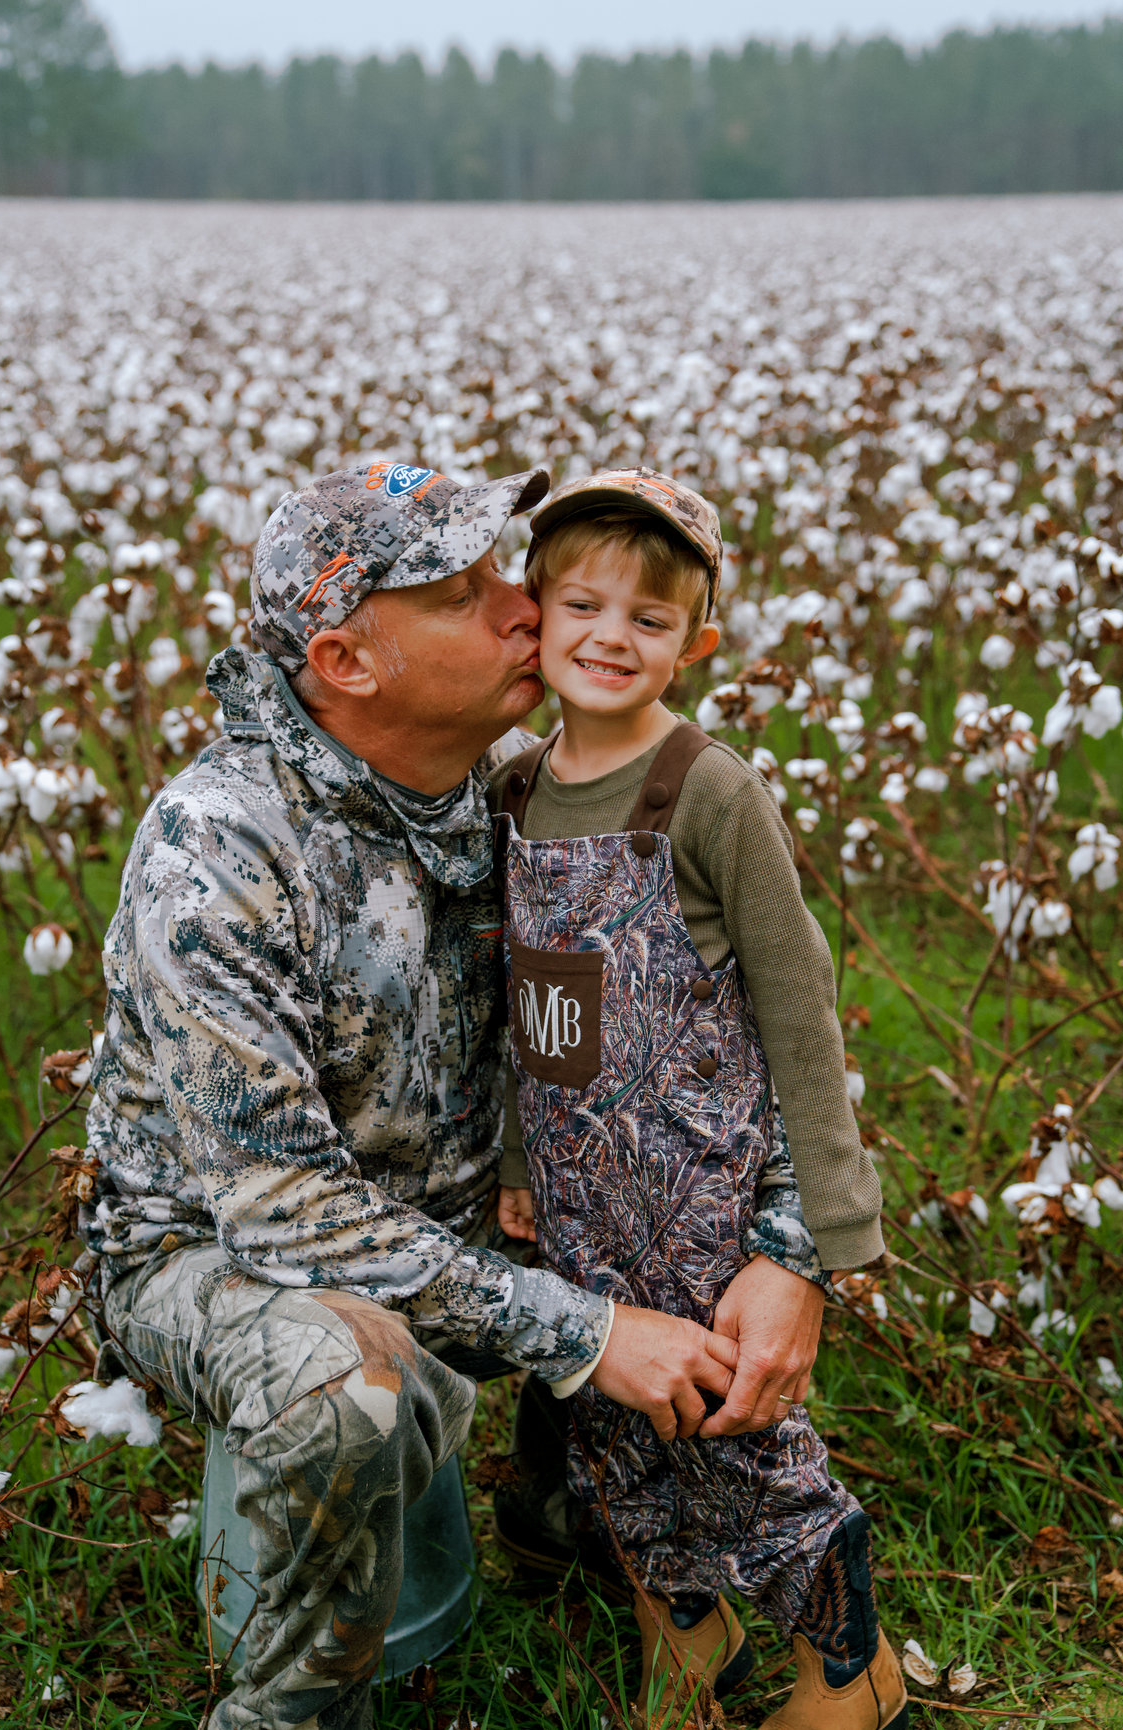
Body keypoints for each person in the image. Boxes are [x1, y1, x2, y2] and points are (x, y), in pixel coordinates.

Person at [81, 459, 820, 1730]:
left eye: (503, 571)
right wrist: (587, 1333)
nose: (527, 605)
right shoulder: (219, 851)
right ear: (347, 660)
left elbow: (737, 1025)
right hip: (215, 1252)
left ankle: (571, 1513)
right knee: (342, 1388)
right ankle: (292, 1707)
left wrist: (785, 1245)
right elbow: (282, 1209)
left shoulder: (523, 790)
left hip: (460, 1213)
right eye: (463, 593)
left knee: (664, 1197)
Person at [491, 468, 908, 1730]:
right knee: (613, 1434)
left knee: (743, 1440)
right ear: (533, 614)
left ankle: (852, 1668)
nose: (610, 636)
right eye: (582, 605)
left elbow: (800, 1006)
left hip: (700, 1205)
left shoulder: (709, 789)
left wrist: (823, 1231)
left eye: (649, 618)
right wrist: (516, 1158)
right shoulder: (512, 787)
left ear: (697, 643)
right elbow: (521, 1006)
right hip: (576, 1206)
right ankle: (685, 1635)